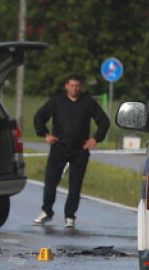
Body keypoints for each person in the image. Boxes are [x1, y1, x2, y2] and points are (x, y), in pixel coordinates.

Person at [32, 74, 110, 228]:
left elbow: (104, 121)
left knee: (75, 185)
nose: (75, 89)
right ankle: (47, 211)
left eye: (77, 86)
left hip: (79, 150)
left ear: (80, 87)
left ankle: (70, 216)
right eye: (72, 85)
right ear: (66, 86)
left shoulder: (87, 102)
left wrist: (95, 139)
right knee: (50, 181)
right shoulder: (57, 101)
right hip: (59, 147)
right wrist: (45, 134)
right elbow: (39, 117)